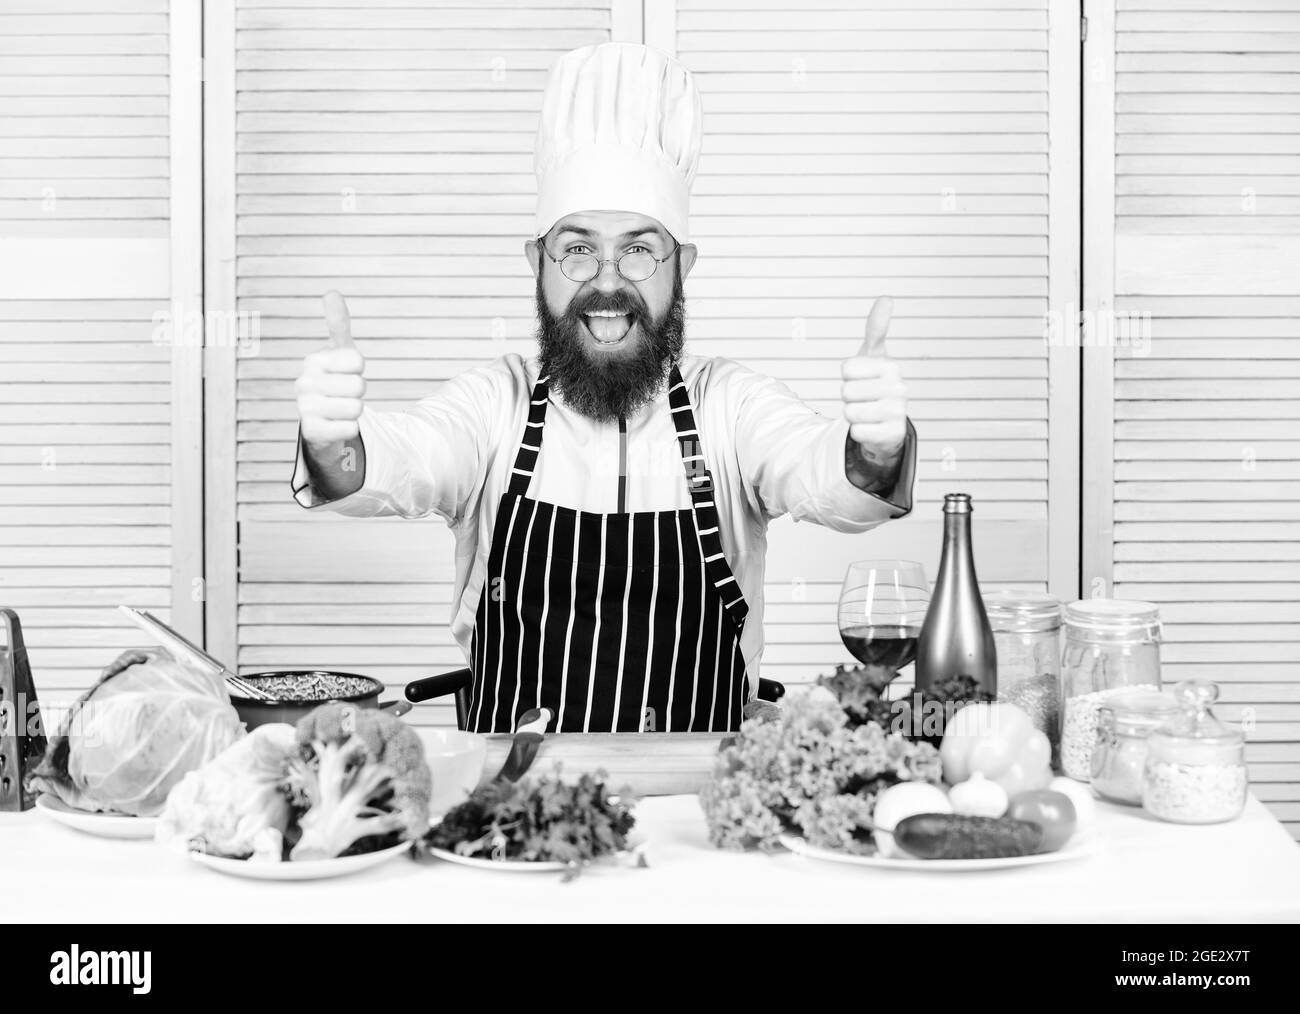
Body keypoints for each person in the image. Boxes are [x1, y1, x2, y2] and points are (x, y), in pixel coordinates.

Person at [291, 43, 916, 734]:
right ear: (539, 263)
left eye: (641, 248)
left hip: (698, 806)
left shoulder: (728, 409)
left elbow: (825, 474)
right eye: (578, 247)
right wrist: (335, 441)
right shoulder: (493, 407)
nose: (609, 279)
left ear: (684, 267)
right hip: (509, 808)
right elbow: (401, 460)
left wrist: (873, 447)